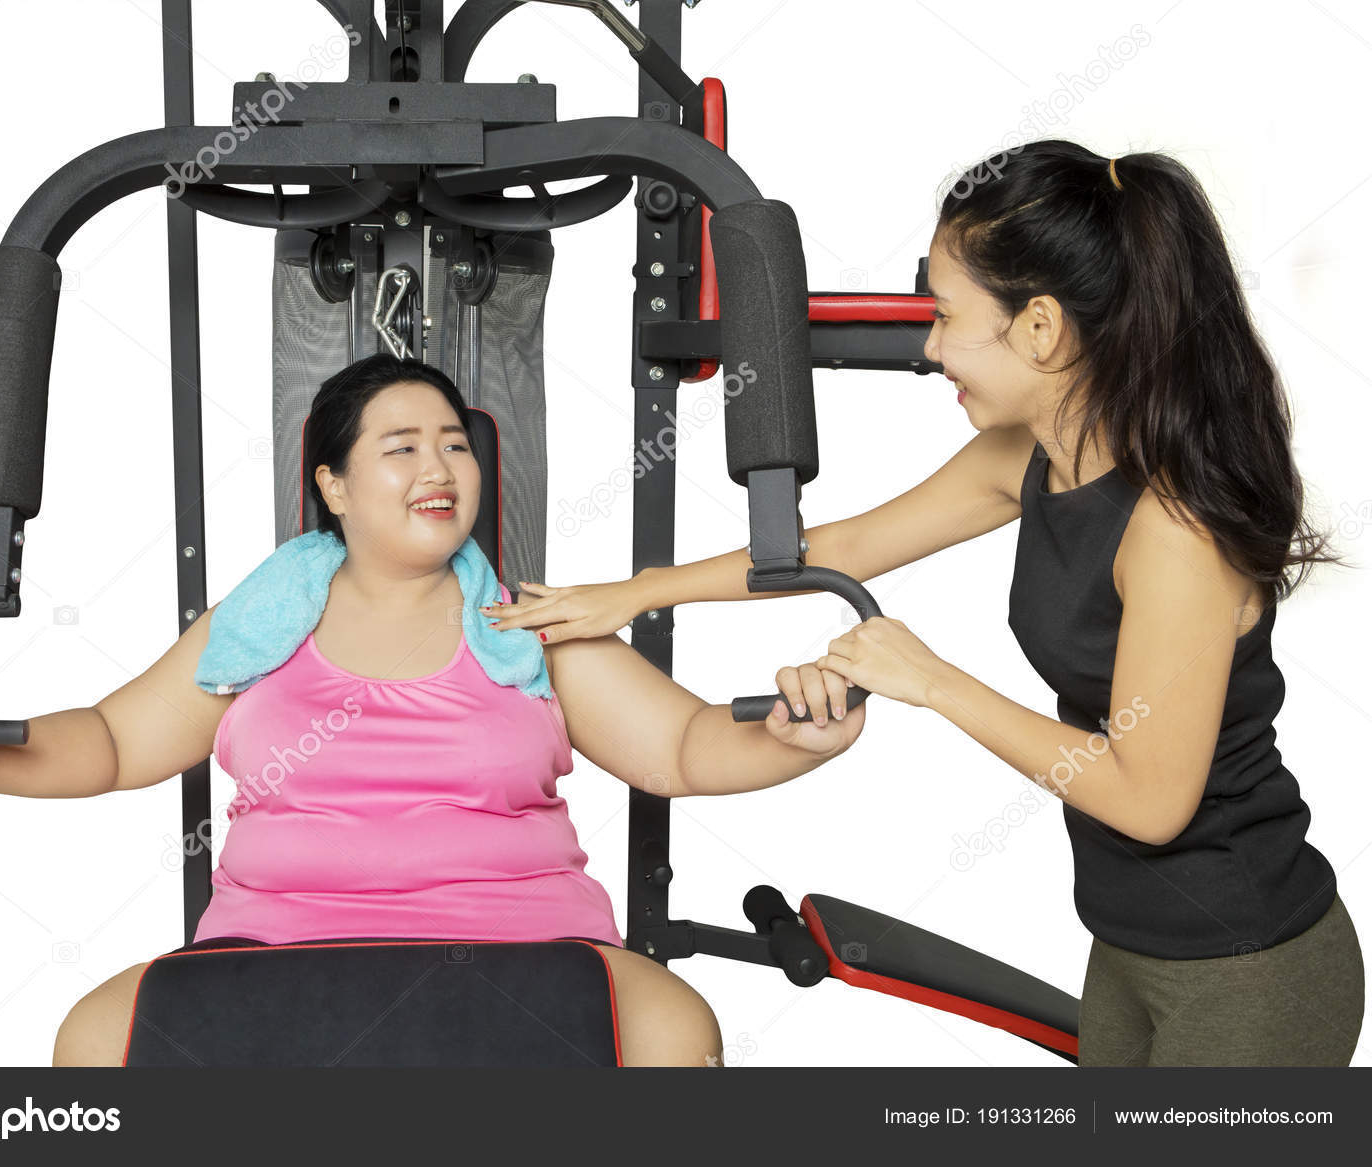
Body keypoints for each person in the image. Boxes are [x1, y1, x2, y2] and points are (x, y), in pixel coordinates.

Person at [483, 141, 1365, 1066]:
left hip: (1248, 964)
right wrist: (634, 595)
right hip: (1129, 944)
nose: (932, 346)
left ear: (1040, 328)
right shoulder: (1035, 458)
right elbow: (840, 547)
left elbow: (1149, 801)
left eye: (946, 316)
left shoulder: (1174, 532)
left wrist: (934, 681)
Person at [0, 353, 866, 1068]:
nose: (438, 468)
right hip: (271, 956)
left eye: (454, 446)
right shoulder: (255, 629)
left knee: (671, 1030)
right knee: (94, 1040)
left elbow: (686, 748)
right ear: (333, 485)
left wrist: (800, 731)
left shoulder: (530, 625)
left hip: (523, 950)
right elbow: (111, 743)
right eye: (401, 448)